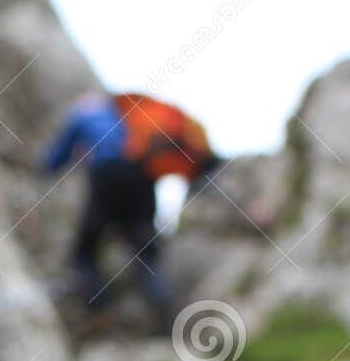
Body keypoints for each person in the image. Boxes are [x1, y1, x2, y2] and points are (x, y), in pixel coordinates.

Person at [42, 91, 221, 321]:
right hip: (142, 179)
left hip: (107, 176)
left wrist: (42, 168)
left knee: (85, 252)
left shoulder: (84, 114)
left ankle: (101, 311)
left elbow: (55, 158)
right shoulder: (127, 114)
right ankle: (165, 312)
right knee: (145, 252)